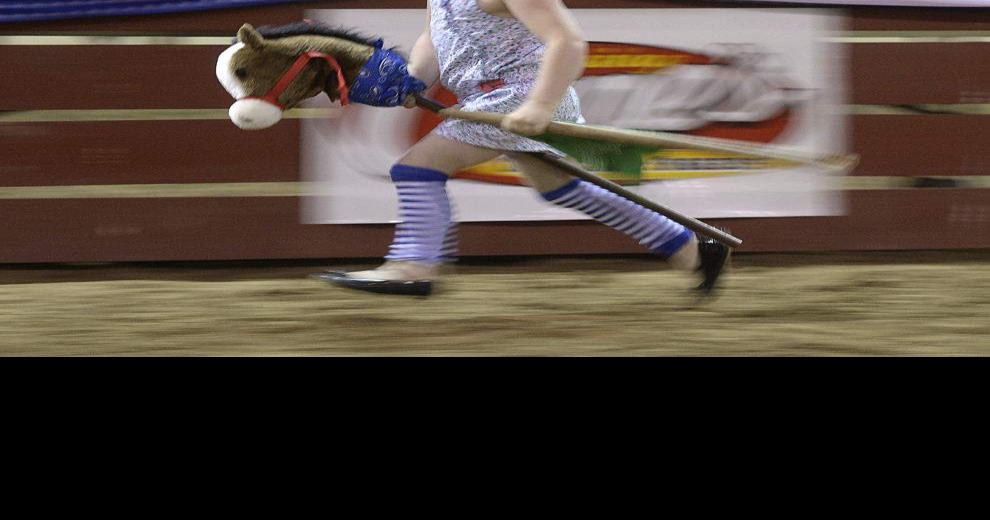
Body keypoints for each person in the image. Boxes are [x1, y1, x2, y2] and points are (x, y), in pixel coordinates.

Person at [323, 0, 730, 296]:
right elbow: (435, 36)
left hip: (519, 98)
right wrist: (413, 80)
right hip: (490, 103)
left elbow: (568, 42)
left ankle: (413, 266)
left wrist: (540, 105)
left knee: (416, 168)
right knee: (559, 187)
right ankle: (692, 251)